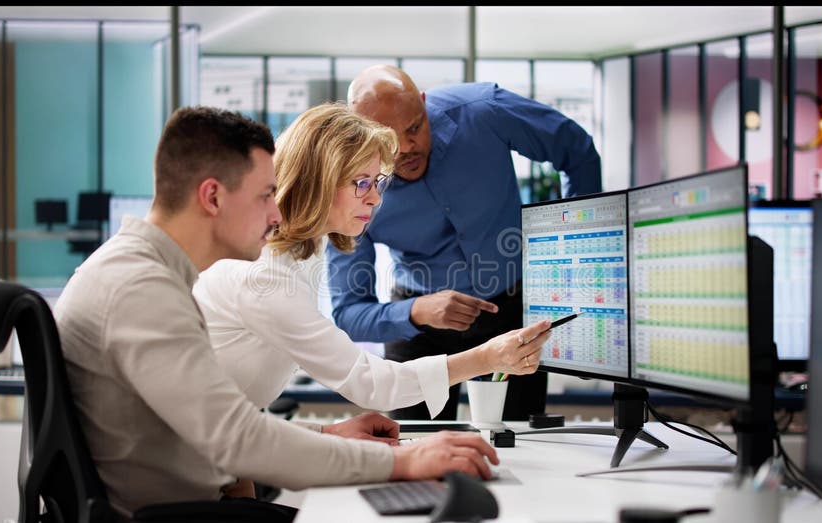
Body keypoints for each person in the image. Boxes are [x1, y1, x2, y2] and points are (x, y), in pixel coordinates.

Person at [53, 106, 504, 521]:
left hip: (189, 495)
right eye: (266, 195)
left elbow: (214, 424)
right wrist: (403, 460)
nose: (277, 211)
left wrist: (325, 437)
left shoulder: (140, 270)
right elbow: (235, 438)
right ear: (213, 197)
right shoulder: (143, 289)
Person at [193, 103, 551, 419]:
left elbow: (234, 414)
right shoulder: (265, 276)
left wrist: (327, 435)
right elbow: (367, 382)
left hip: (221, 447)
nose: (377, 198)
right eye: (361, 183)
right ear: (318, 180)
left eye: (377, 181)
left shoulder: (302, 252)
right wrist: (488, 358)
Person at [326, 65, 603, 421]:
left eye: (414, 128)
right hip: (418, 329)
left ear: (423, 105)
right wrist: (415, 312)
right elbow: (348, 313)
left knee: (521, 444)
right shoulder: (349, 191)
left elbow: (576, 150)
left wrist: (573, 250)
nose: (407, 147)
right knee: (412, 450)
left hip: (513, 314)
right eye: (389, 140)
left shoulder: (483, 110)